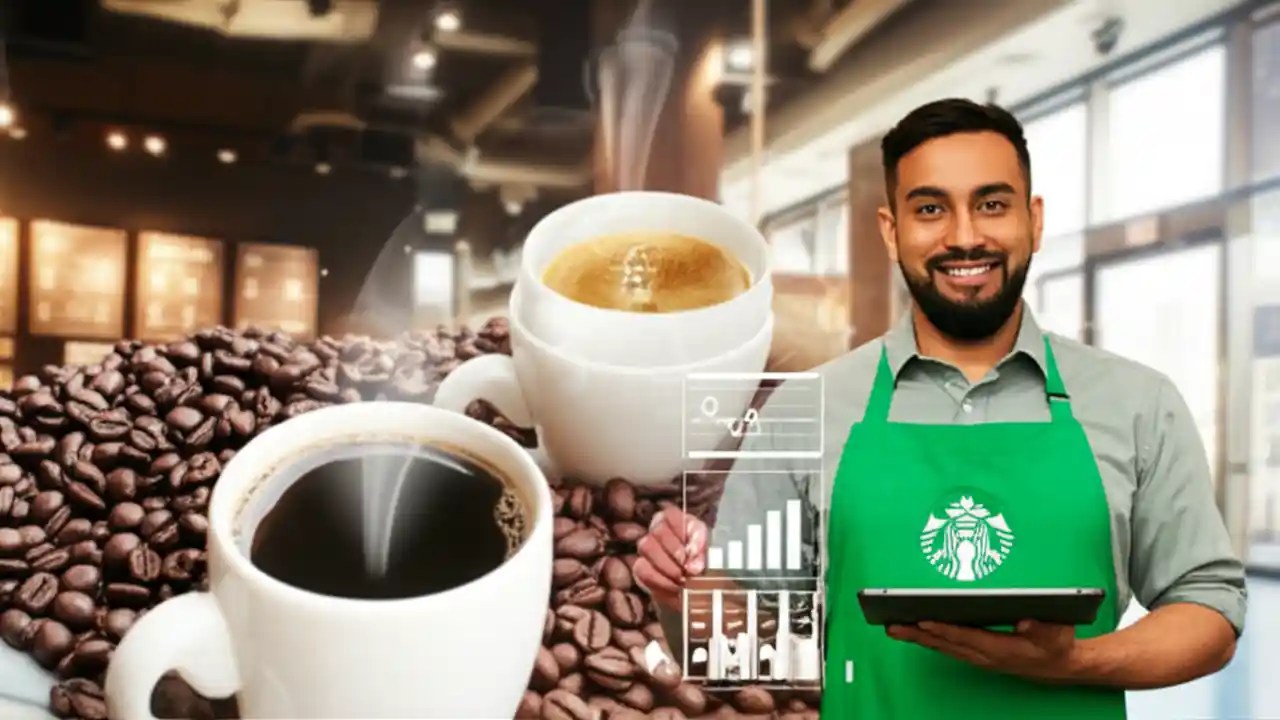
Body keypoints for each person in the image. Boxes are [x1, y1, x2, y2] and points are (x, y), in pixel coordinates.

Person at [634, 98, 1247, 718]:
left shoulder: (1138, 403)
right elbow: (730, 646)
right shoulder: (804, 407)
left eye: (991, 204)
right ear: (891, 230)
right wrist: (678, 590)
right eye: (930, 209)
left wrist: (1075, 663)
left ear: (1034, 221)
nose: (964, 236)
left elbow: (1209, 612)